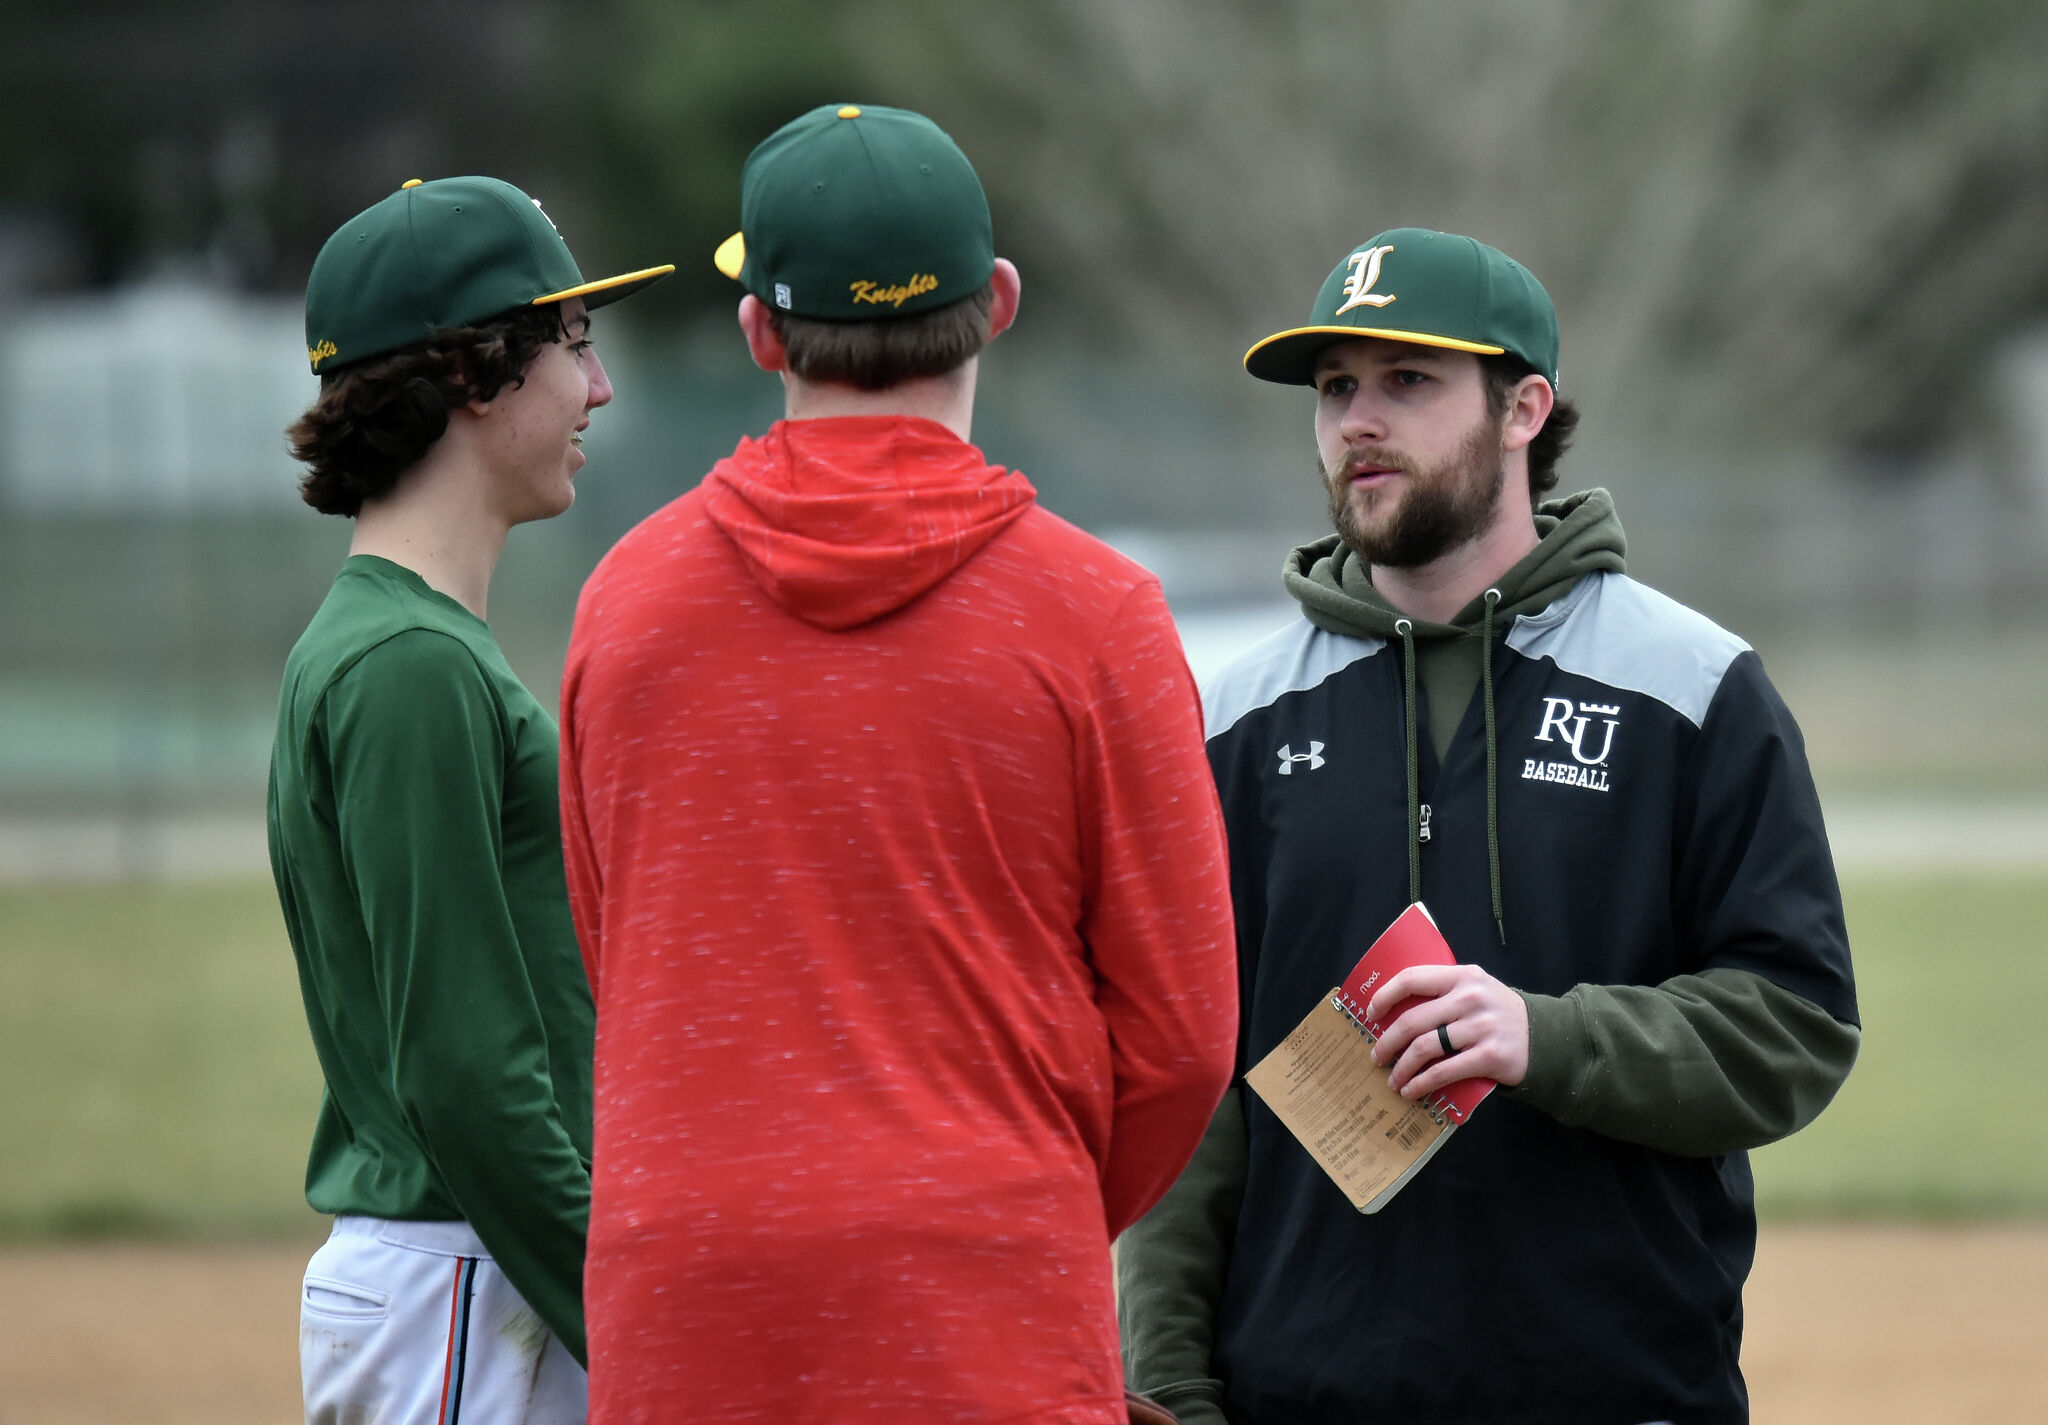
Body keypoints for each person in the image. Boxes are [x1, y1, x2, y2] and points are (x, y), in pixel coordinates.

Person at [556, 103, 1238, 1425]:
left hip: (686, 1294)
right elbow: (1185, 1040)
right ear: (996, 304)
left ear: (758, 327)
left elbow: (618, 953)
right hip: (984, 1287)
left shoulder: (625, 602)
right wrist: (1011, 1205)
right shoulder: (1096, 614)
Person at [1117, 229, 1860, 1424]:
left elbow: (1795, 1025)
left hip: (1615, 1389)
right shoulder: (1230, 721)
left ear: (1523, 409)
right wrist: (1165, 1384)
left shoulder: (1690, 688)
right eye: (1333, 389)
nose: (1357, 420)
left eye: (1407, 382)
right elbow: (1188, 1095)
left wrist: (1543, 1037)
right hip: (1298, 1396)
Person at [268, 175, 669, 1425]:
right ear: (474, 371)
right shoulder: (409, 666)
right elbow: (461, 1070)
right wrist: (635, 1323)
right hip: (475, 1281)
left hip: (474, 1275)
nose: (596, 387)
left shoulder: (399, 642)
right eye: (575, 342)